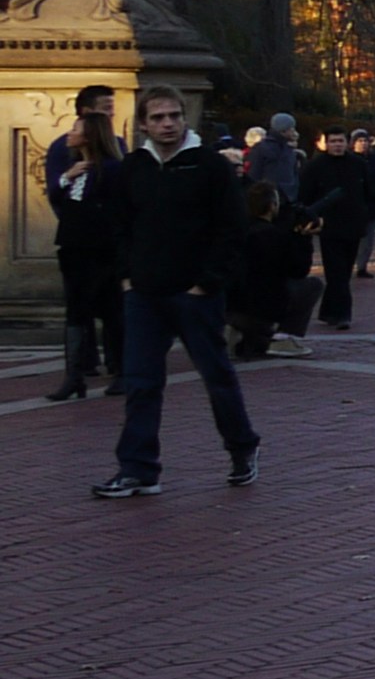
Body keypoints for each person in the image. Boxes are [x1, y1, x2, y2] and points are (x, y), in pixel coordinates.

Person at [91, 84, 262, 498]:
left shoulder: (209, 166)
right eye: (157, 117)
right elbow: (118, 226)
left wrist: (207, 281)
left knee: (216, 375)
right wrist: (127, 276)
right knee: (141, 382)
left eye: (173, 116)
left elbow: (232, 228)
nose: (167, 124)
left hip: (195, 293)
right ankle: (137, 468)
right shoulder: (133, 168)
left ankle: (242, 448)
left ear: (185, 119)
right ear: (144, 124)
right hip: (144, 294)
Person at [47, 83, 124, 399]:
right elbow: (59, 198)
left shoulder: (112, 169)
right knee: (76, 313)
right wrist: (68, 177)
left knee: (113, 312)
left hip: (103, 252)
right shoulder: (70, 162)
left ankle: (121, 371)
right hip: (74, 251)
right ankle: (74, 375)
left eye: (76, 129)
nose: (70, 133)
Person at [221, 180, 318, 359]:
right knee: (312, 285)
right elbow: (298, 270)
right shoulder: (274, 236)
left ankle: (235, 331)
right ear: (272, 206)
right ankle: (284, 338)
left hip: (229, 305)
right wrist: (303, 239)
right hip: (264, 308)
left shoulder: (236, 230)